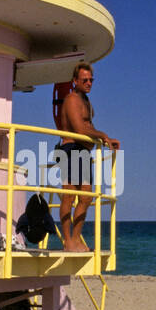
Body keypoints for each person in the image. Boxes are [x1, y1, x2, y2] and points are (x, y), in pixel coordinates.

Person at [54, 62, 120, 252]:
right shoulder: (72, 100)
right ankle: (69, 241)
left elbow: (88, 127)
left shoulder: (86, 101)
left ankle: (75, 240)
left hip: (83, 151)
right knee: (70, 195)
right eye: (85, 80)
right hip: (71, 148)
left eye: (91, 80)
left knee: (85, 197)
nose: (89, 83)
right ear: (75, 81)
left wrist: (105, 140)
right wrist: (103, 136)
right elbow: (80, 129)